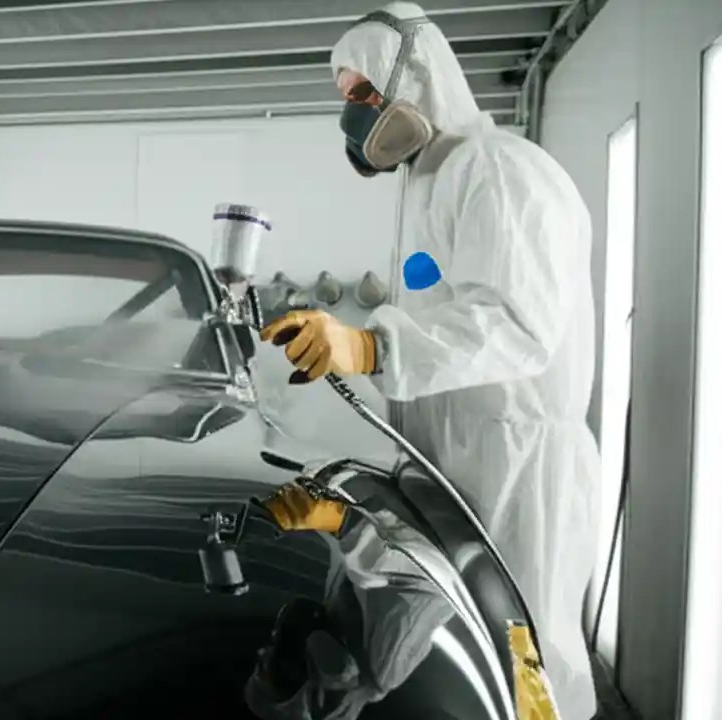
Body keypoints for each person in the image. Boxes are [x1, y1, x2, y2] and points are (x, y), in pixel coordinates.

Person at [259, 3, 601, 718]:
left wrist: (370, 346)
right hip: (455, 456)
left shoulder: (499, 172)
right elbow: (440, 320)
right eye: (344, 100)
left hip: (517, 467)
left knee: (520, 651)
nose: (351, 115)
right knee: (445, 628)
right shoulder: (428, 186)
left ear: (414, 78)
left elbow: (515, 324)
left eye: (359, 94)